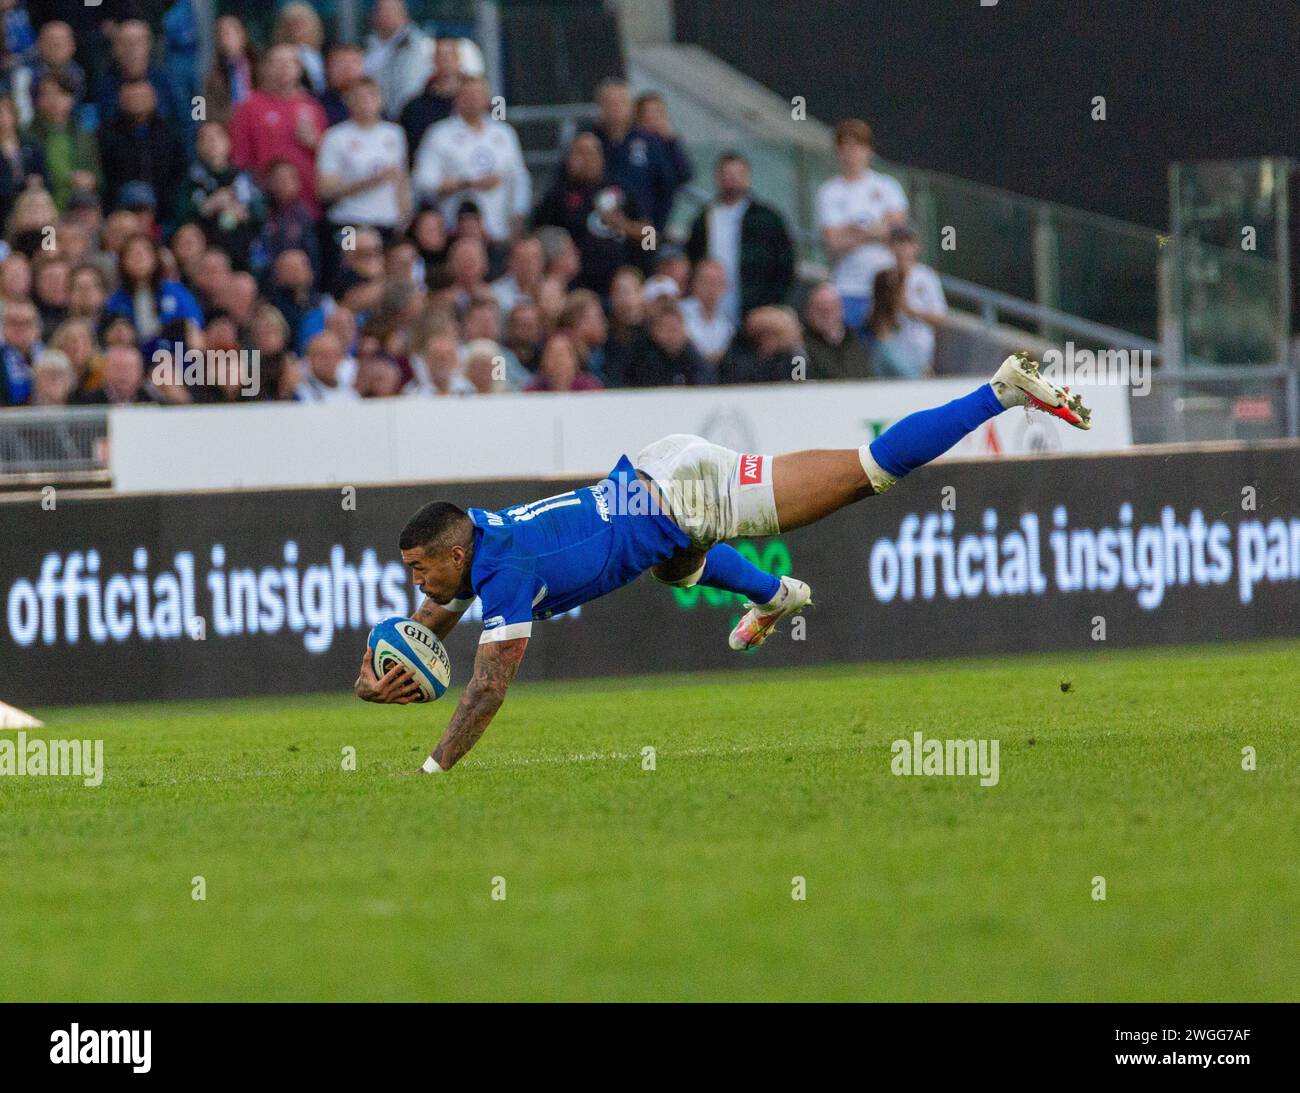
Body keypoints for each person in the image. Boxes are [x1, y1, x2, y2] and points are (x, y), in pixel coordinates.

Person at [353, 352, 1092, 771]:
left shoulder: (504, 576)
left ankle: (999, 390)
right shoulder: (479, 536)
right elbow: (433, 617)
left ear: (453, 553)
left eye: (422, 569)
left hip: (687, 493)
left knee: (868, 472)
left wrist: (432, 768)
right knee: (674, 568)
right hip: (655, 485)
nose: (418, 586)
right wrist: (377, 673)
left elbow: (486, 690)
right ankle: (774, 593)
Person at [413, 75, 529, 246]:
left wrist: (518, 217)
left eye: (479, 94)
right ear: (457, 99)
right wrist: (468, 183)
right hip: (455, 233)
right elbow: (423, 182)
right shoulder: (439, 134)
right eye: (468, 95)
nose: (474, 100)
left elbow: (519, 179)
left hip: (498, 232)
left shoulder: (504, 133)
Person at [816, 119, 908, 332]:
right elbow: (833, 240)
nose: (852, 154)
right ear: (838, 152)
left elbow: (897, 232)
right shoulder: (829, 191)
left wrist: (853, 231)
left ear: (868, 150)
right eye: (845, 147)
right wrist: (875, 231)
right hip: (847, 285)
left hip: (884, 286)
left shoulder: (887, 186)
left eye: (857, 146)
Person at [685, 152, 794, 322]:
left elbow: (785, 264)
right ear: (717, 177)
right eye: (727, 174)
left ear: (747, 177)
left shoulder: (767, 219)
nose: (732, 179)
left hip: (754, 310)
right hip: (710, 312)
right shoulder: (703, 219)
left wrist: (771, 304)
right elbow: (692, 258)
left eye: (737, 174)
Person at [890, 222, 948, 374]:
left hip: (920, 344)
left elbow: (940, 316)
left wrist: (913, 312)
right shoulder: (885, 275)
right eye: (899, 242)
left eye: (908, 242)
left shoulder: (926, 276)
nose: (903, 248)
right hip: (893, 342)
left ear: (916, 246)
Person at [363, 0, 434, 120]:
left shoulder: (423, 45)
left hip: (413, 115)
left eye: (392, 10)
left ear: (405, 15)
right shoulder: (367, 46)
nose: (387, 15)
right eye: (382, 11)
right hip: (378, 118)